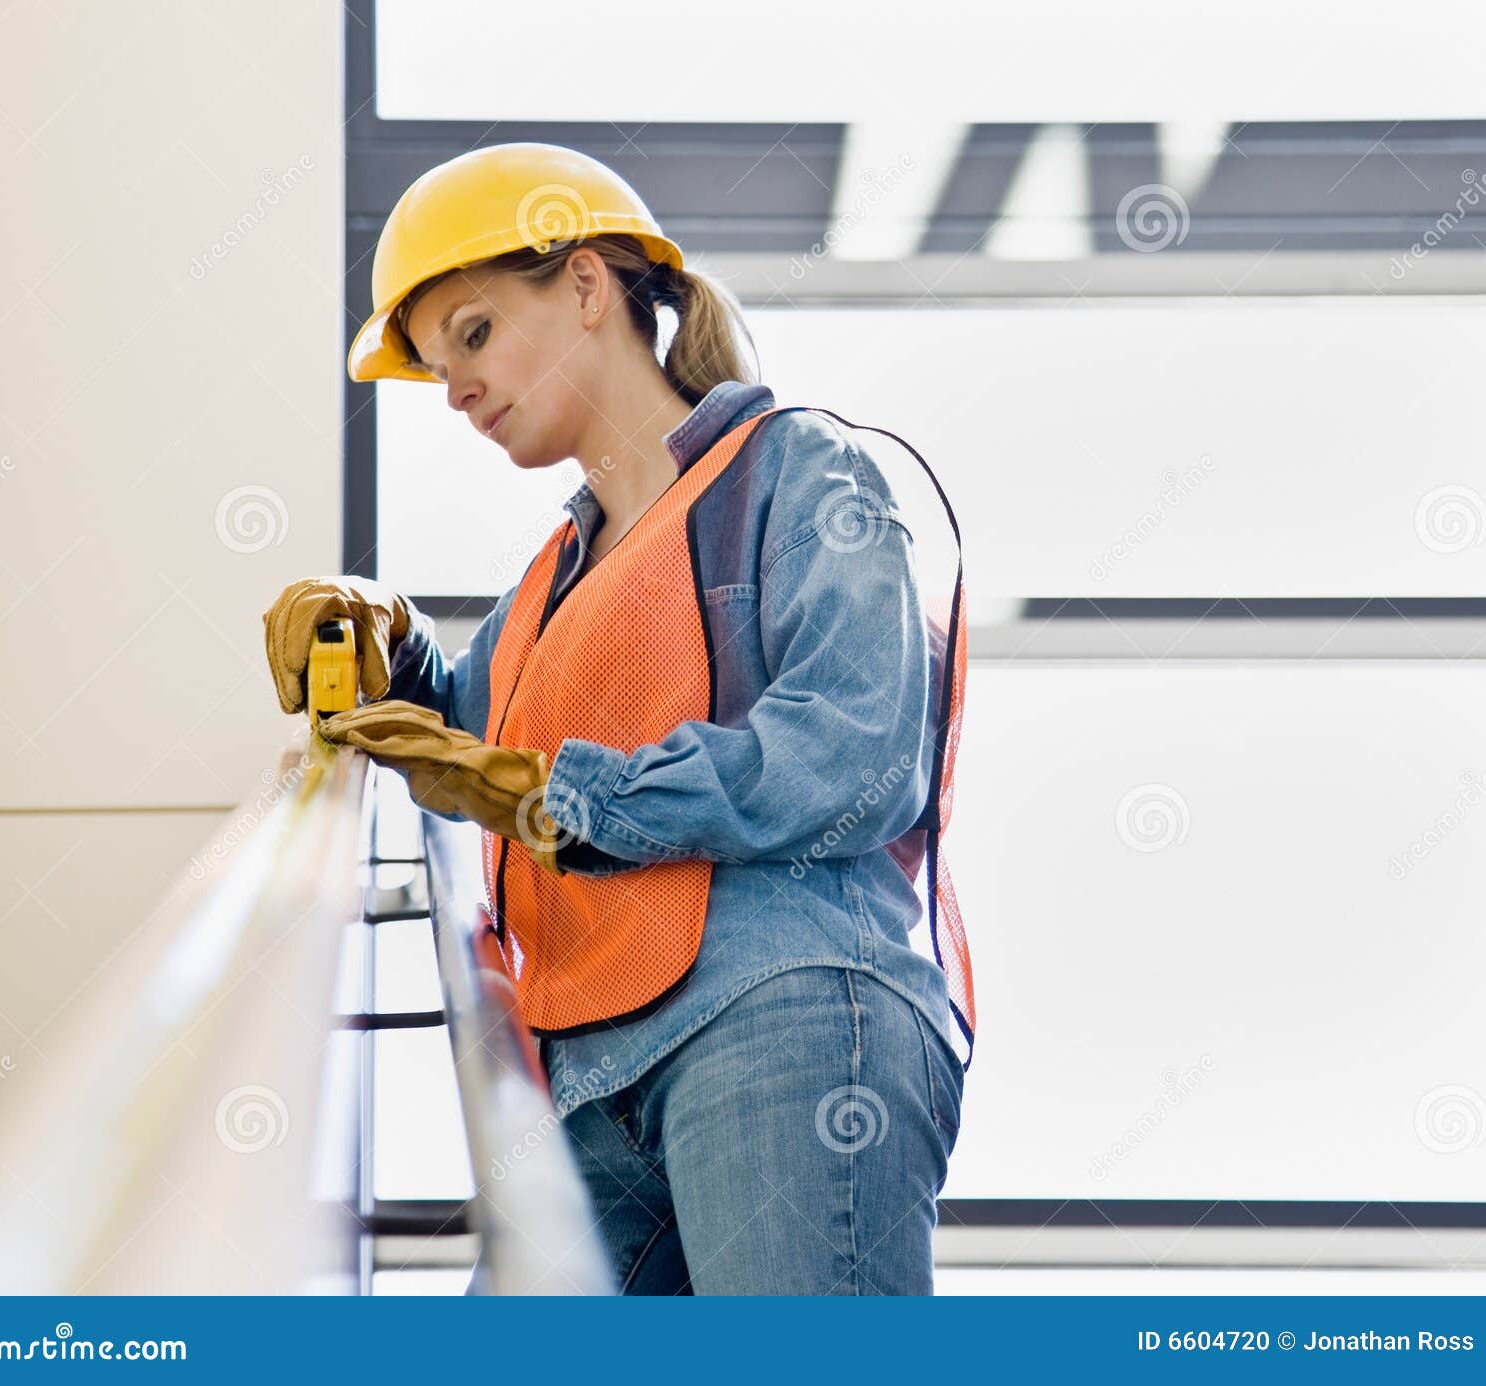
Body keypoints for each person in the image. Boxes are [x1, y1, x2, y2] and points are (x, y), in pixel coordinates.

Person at [262, 143, 974, 1295]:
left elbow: (853, 753)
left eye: (475, 334)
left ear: (588, 287)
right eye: (440, 366)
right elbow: (470, 744)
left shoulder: (798, 472)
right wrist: (382, 638)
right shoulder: (551, 580)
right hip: (592, 1084)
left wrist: (572, 799)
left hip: (781, 1018)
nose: (457, 392)